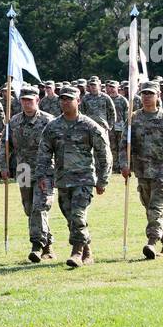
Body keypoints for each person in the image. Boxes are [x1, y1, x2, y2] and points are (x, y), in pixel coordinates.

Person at [35, 85, 112, 269]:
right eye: (62, 99)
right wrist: (42, 177)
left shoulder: (89, 126)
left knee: (78, 215)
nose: (65, 102)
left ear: (78, 101)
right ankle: (87, 250)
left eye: (69, 99)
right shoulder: (52, 127)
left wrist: (103, 180)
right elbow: (44, 153)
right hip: (62, 180)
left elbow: (104, 153)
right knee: (71, 218)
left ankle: (76, 253)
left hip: (84, 179)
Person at [118, 81, 163, 259]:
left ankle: (151, 242)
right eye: (144, 94)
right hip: (142, 173)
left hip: (161, 173)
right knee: (151, 210)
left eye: (150, 94)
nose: (147, 97)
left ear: (158, 96)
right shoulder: (133, 119)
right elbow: (124, 145)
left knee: (156, 208)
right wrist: (124, 165)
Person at [0, 86, 56, 262]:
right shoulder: (14, 122)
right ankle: (48, 245)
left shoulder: (49, 121)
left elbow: (59, 146)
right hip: (23, 169)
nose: (26, 103)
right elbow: (4, 145)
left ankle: (36, 246)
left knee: (40, 207)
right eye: (23, 100)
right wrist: (2, 165)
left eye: (30, 100)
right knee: (29, 208)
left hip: (44, 170)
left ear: (37, 100)